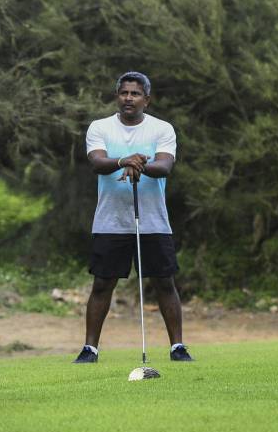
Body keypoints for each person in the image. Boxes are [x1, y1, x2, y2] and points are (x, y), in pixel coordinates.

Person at [74, 71, 191, 364]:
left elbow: (164, 167)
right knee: (102, 283)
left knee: (164, 282)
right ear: (118, 97)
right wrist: (123, 160)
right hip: (110, 220)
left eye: (135, 94)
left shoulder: (162, 129)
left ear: (147, 100)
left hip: (153, 220)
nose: (129, 98)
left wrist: (138, 163)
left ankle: (177, 347)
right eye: (124, 93)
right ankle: (90, 349)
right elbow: (98, 163)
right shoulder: (99, 127)